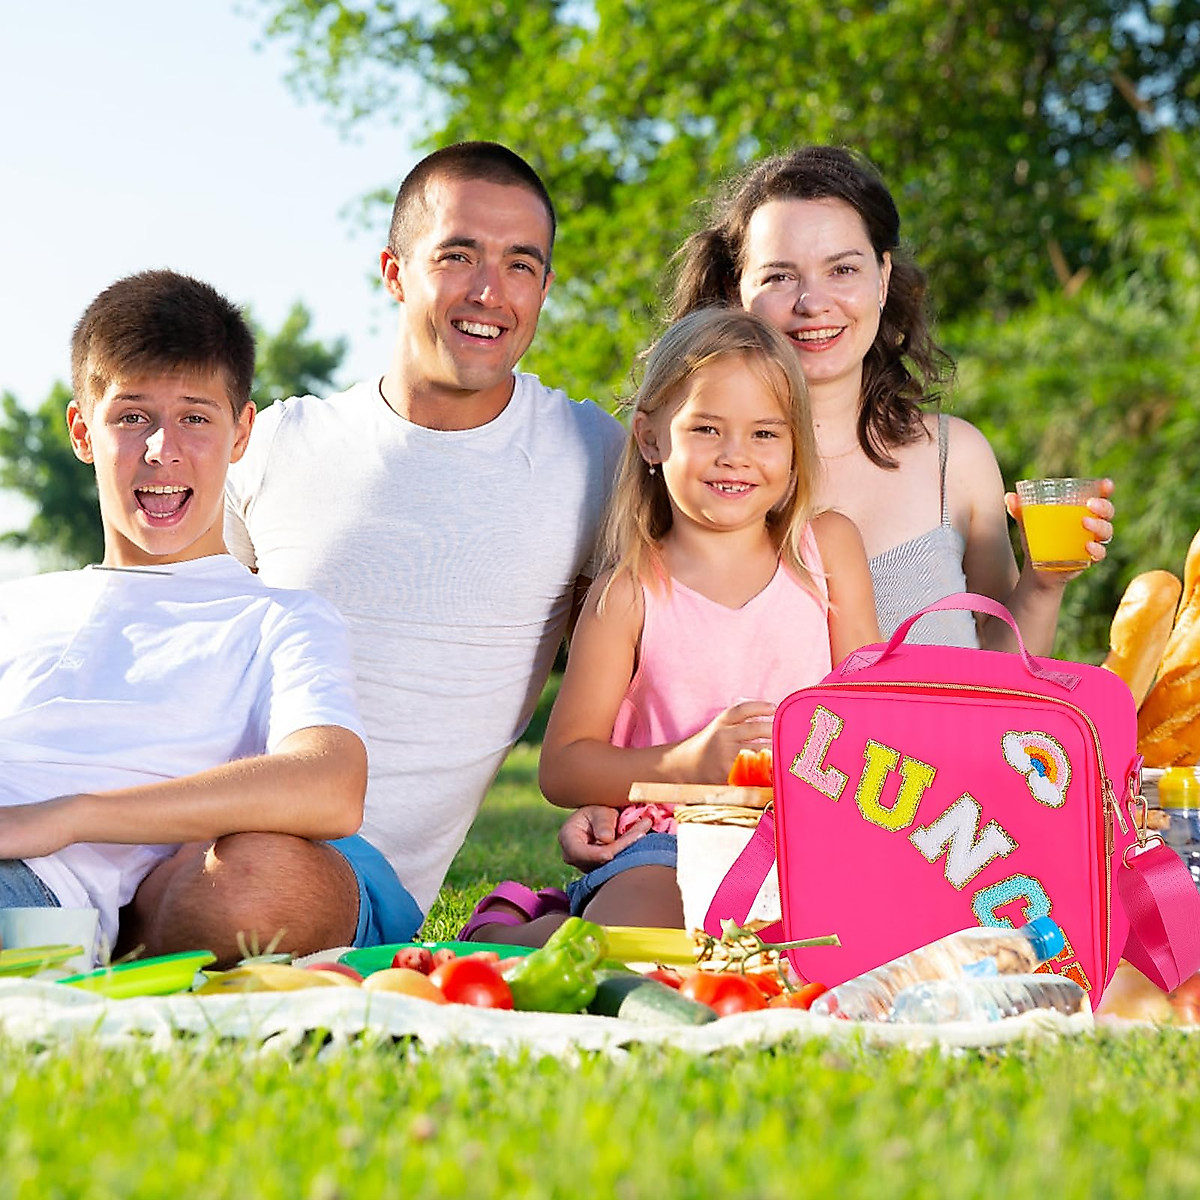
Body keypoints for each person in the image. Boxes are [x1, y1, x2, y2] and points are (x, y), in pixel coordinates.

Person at [556, 143, 1118, 879]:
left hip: (928, 827)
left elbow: (1001, 697)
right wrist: (636, 794)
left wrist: (1044, 585)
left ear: (884, 279)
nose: (813, 302)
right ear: (737, 291)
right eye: (780, 276)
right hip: (711, 836)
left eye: (843, 269)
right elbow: (639, 695)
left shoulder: (959, 457)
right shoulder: (696, 478)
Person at [223, 142, 625, 933]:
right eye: (457, 255)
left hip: (345, 876)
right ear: (395, 271)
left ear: (544, 287)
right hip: (186, 814)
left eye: (520, 265)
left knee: (236, 894)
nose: (489, 291)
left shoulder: (593, 458)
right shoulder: (276, 442)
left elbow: (668, 650)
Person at [460, 307, 880, 941]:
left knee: (848, 942)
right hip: (671, 838)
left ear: (797, 448)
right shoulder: (629, 592)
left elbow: (872, 711)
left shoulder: (828, 550)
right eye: (708, 428)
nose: (735, 456)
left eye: (766, 434)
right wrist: (690, 762)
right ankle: (523, 931)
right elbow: (564, 768)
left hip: (813, 833)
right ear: (652, 438)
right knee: (650, 947)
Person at [0, 270, 373, 967]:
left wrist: (65, 816)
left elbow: (331, 784)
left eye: (196, 418)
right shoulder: (17, 604)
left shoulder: (277, 619)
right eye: (131, 416)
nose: (161, 449)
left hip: (36, 884)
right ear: (83, 431)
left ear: (242, 433)